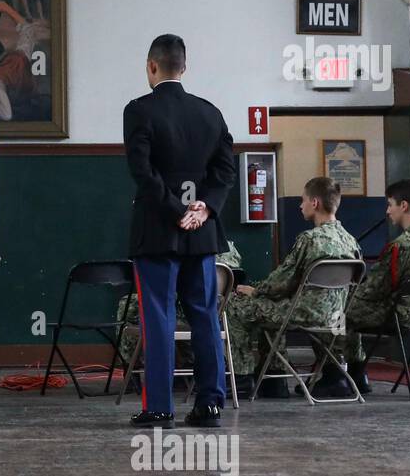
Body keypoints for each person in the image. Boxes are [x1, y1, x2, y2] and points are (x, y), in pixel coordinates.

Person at [124, 34, 237, 429]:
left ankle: (159, 407)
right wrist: (203, 208)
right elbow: (225, 171)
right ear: (183, 68)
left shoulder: (138, 111)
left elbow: (144, 174)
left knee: (158, 319)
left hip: (157, 232)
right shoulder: (211, 113)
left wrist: (176, 211)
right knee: (205, 317)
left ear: (151, 66)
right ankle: (210, 404)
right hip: (202, 235)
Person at [225, 177, 361, 398]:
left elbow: (281, 282)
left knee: (235, 306)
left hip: (302, 313)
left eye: (303, 200)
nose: (300, 205)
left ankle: (241, 379)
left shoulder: (310, 239)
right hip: (337, 317)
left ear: (315, 203)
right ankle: (331, 378)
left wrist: (255, 290)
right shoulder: (351, 241)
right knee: (268, 309)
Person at [338, 178, 410, 394]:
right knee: (349, 311)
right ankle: (358, 376)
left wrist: (343, 295)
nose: (388, 211)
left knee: (336, 314)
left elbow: (373, 291)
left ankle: (340, 377)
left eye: (390, 204)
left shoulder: (400, 246)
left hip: (398, 315)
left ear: (403, 206)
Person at [116, 241, 242, 376]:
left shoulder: (171, 245)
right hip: (215, 315)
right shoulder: (225, 248)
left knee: (128, 306)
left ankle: (131, 369)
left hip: (178, 311)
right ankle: (191, 364)